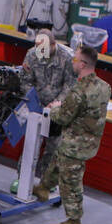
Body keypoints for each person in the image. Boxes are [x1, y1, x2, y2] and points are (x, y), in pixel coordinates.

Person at [32, 45, 110, 224]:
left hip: (75, 144)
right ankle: (43, 188)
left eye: (75, 60)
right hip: (90, 140)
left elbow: (63, 118)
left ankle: (73, 221)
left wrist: (54, 108)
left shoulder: (79, 91)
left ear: (83, 64)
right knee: (58, 159)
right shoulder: (103, 86)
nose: (72, 63)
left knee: (70, 181)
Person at [19, 28, 75, 179]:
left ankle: (46, 180)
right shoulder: (32, 54)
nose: (40, 52)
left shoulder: (67, 57)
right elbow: (25, 81)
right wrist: (33, 101)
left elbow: (70, 85)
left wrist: (58, 102)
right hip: (36, 106)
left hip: (57, 109)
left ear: (53, 44)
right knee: (31, 143)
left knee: (54, 147)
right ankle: (22, 177)